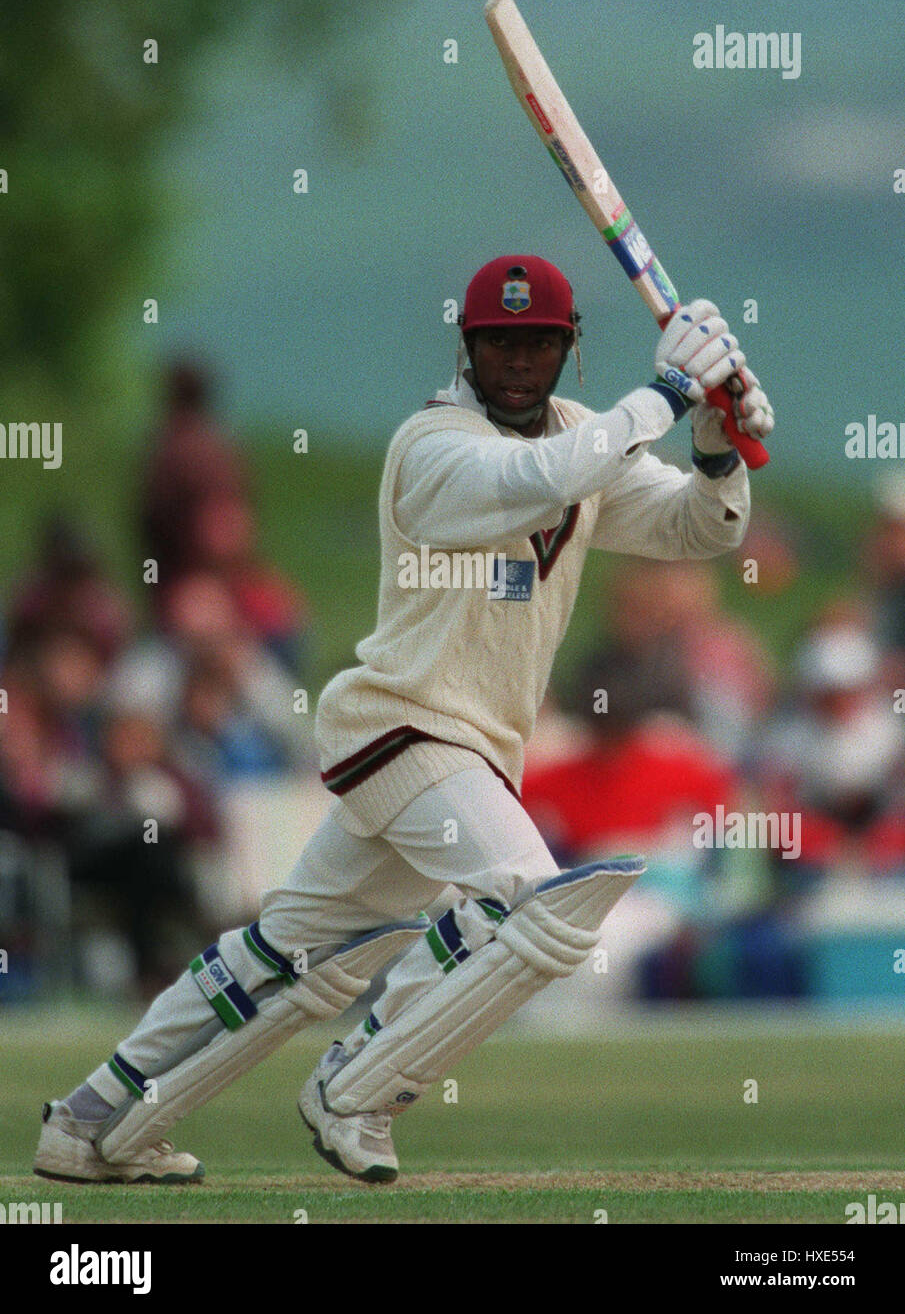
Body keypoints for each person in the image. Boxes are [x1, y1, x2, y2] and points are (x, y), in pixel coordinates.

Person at [34, 255, 773, 1185]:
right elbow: (539, 474)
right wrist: (664, 391)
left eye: (537, 343)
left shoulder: (586, 437)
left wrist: (714, 447)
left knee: (290, 954)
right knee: (535, 906)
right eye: (498, 343)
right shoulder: (433, 446)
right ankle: (359, 1084)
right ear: (467, 347)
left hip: (472, 750)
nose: (516, 361)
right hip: (402, 726)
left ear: (567, 348)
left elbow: (694, 531)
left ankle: (95, 1118)